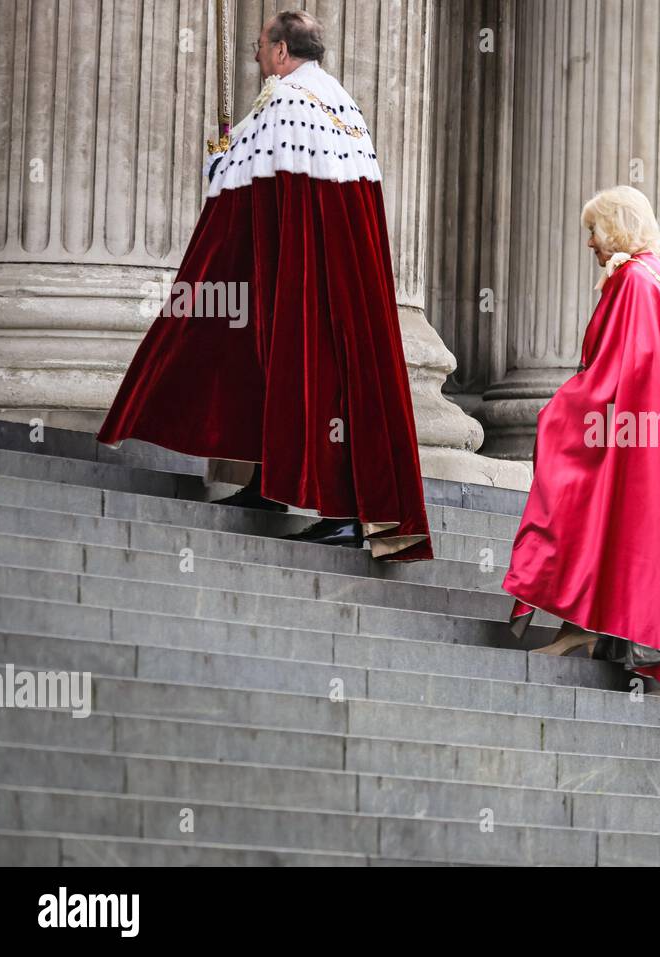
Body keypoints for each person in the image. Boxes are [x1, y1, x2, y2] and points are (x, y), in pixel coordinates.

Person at [98, 10, 432, 559]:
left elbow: (248, 198)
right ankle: (272, 486)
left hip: (299, 278)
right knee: (301, 375)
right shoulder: (344, 105)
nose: (254, 57)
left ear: (280, 51)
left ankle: (343, 512)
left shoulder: (286, 99)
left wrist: (222, 160)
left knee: (303, 376)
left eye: (259, 47)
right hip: (344, 284)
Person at [503, 186, 660, 697]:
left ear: (618, 229)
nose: (590, 244)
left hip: (634, 438)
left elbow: (610, 375)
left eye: (594, 231)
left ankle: (588, 630)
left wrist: (561, 411)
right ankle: (583, 628)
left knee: (584, 501)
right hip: (657, 443)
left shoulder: (634, 283)